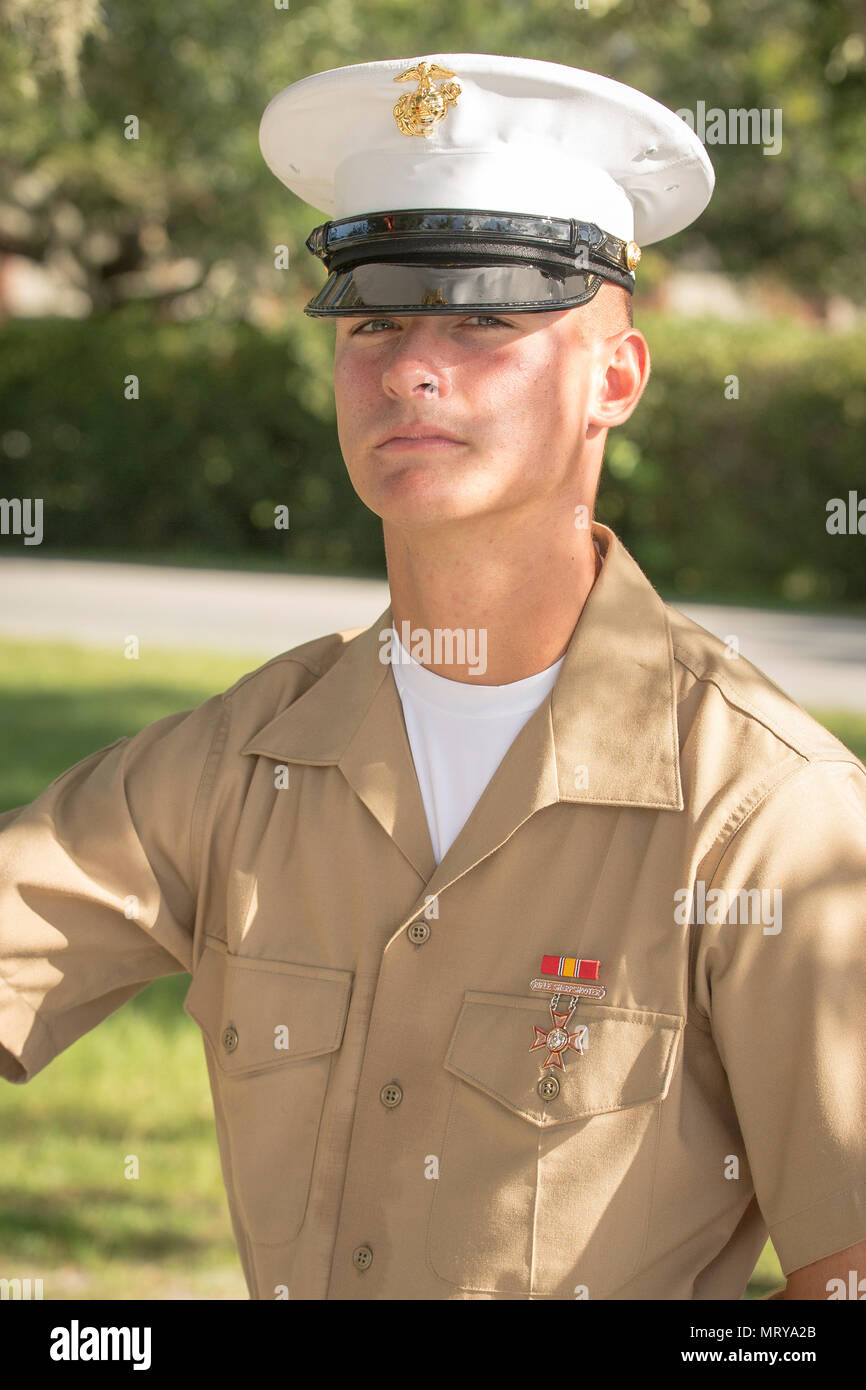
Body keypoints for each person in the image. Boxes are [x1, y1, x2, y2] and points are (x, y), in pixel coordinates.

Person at [1, 53, 865, 1302]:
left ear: (612, 381)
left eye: (483, 320)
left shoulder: (763, 813)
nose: (412, 366)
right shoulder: (244, 762)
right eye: (373, 320)